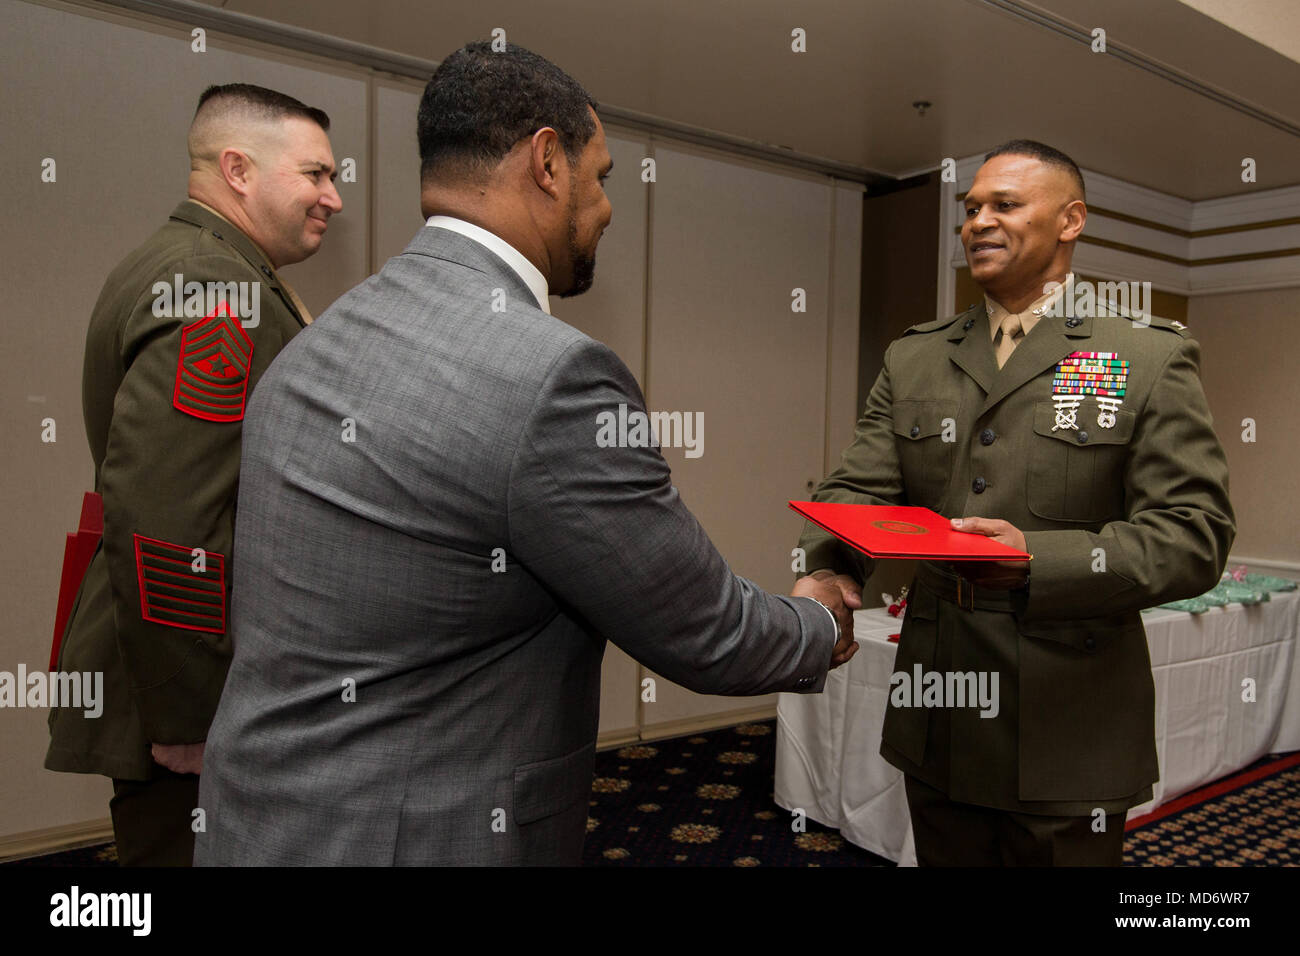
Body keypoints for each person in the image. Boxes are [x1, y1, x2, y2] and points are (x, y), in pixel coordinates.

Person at [193, 42, 856, 867]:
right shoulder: (552, 376)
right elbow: (706, 628)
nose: (609, 207)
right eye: (603, 175)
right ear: (548, 162)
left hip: (259, 818)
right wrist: (820, 618)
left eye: (1005, 206)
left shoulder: (312, 346)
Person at [797, 140, 1234, 866]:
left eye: (1005, 205)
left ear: (1071, 220)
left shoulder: (1145, 354)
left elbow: (1194, 534)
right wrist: (831, 572)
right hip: (941, 713)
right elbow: (861, 489)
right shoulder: (917, 354)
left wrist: (1034, 560)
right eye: (970, 209)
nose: (978, 223)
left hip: (1069, 721)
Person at [45, 83, 342, 866]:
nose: (333, 197)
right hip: (195, 694)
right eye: (315, 174)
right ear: (238, 169)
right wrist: (187, 712)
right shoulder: (216, 284)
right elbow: (167, 512)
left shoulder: (208, 265)